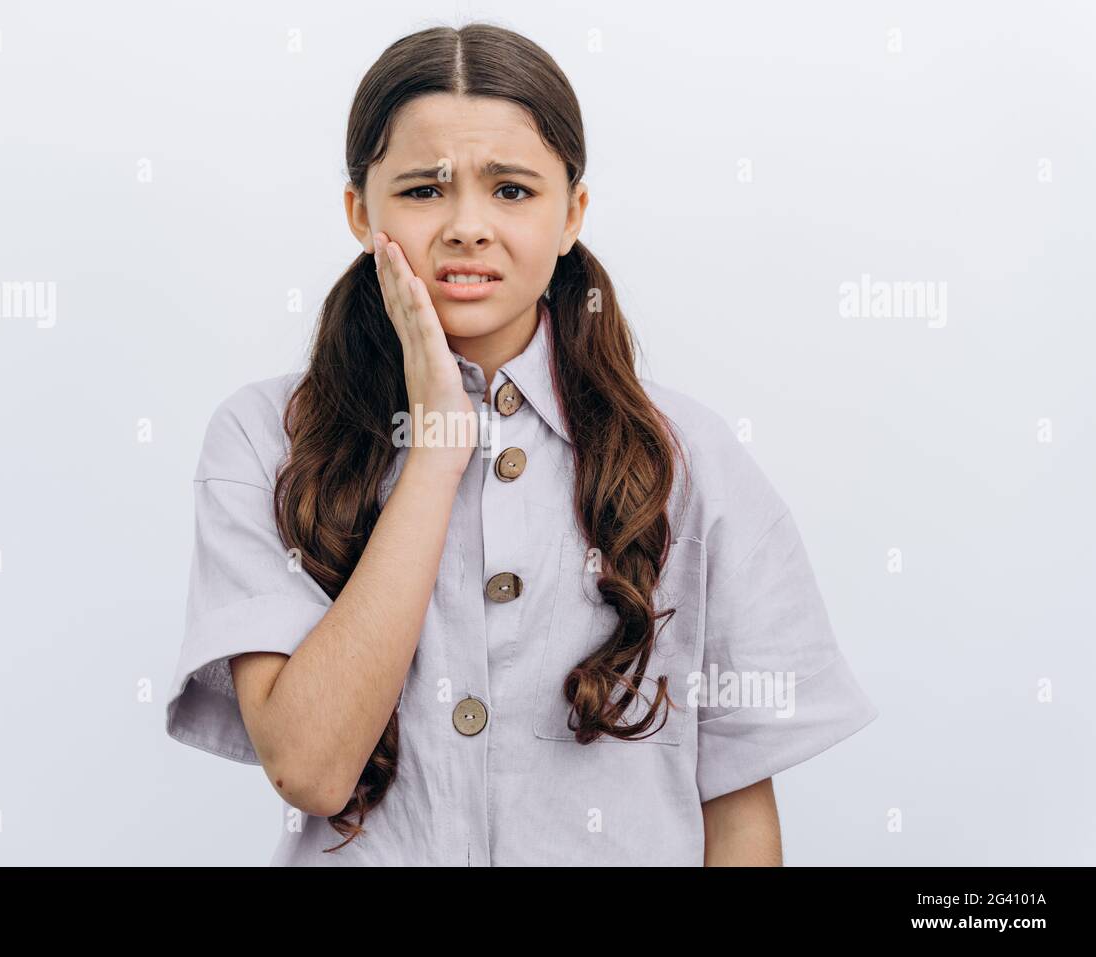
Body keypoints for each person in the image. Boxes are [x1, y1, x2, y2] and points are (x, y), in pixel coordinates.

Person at [166, 22, 879, 866]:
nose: (468, 226)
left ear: (572, 213)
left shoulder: (685, 456)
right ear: (360, 211)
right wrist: (436, 445)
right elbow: (312, 769)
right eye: (425, 190)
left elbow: (738, 809)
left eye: (511, 190)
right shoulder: (262, 438)